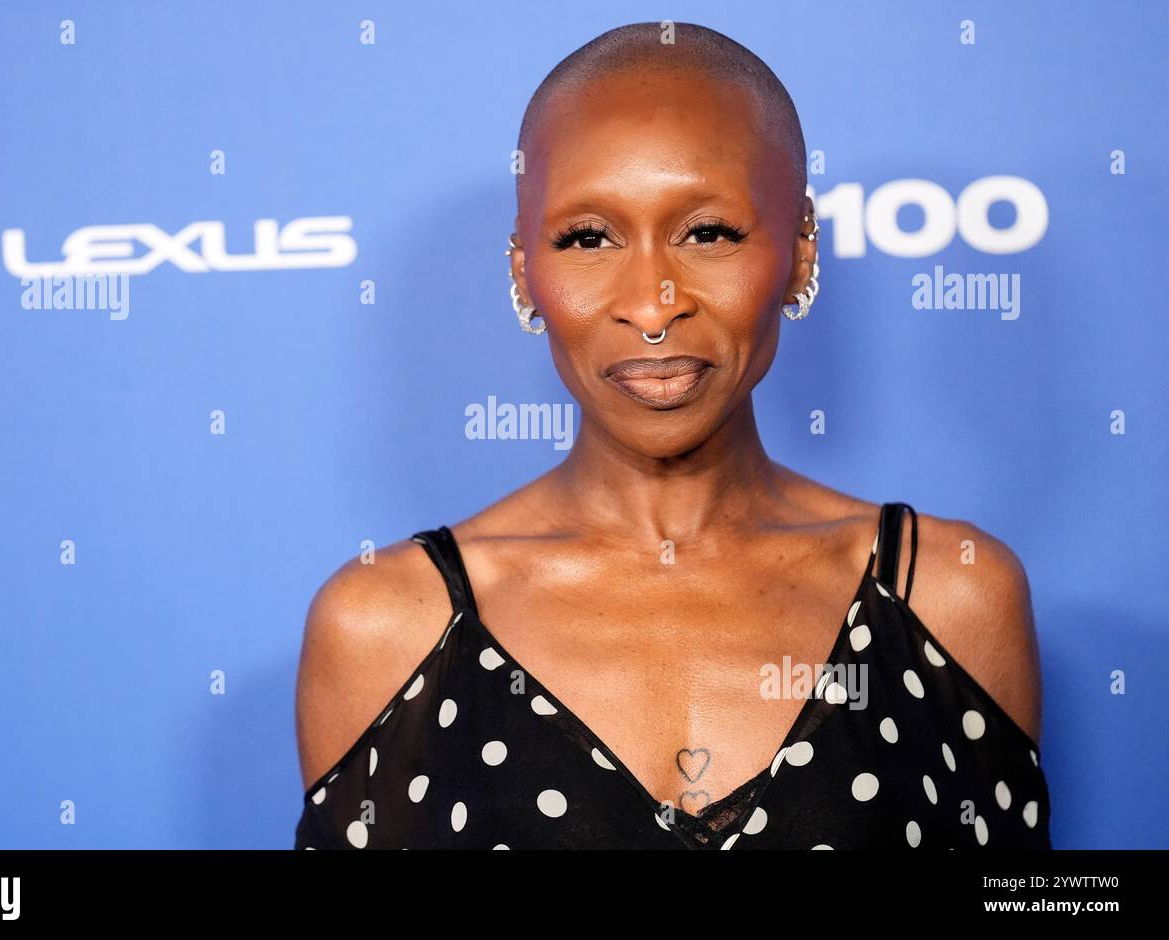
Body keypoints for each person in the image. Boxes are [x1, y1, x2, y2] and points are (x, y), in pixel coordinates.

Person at [292, 21, 1051, 849]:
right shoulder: (385, 627)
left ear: (801, 252)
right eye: (588, 238)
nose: (653, 306)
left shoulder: (949, 596)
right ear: (524, 271)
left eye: (708, 233)